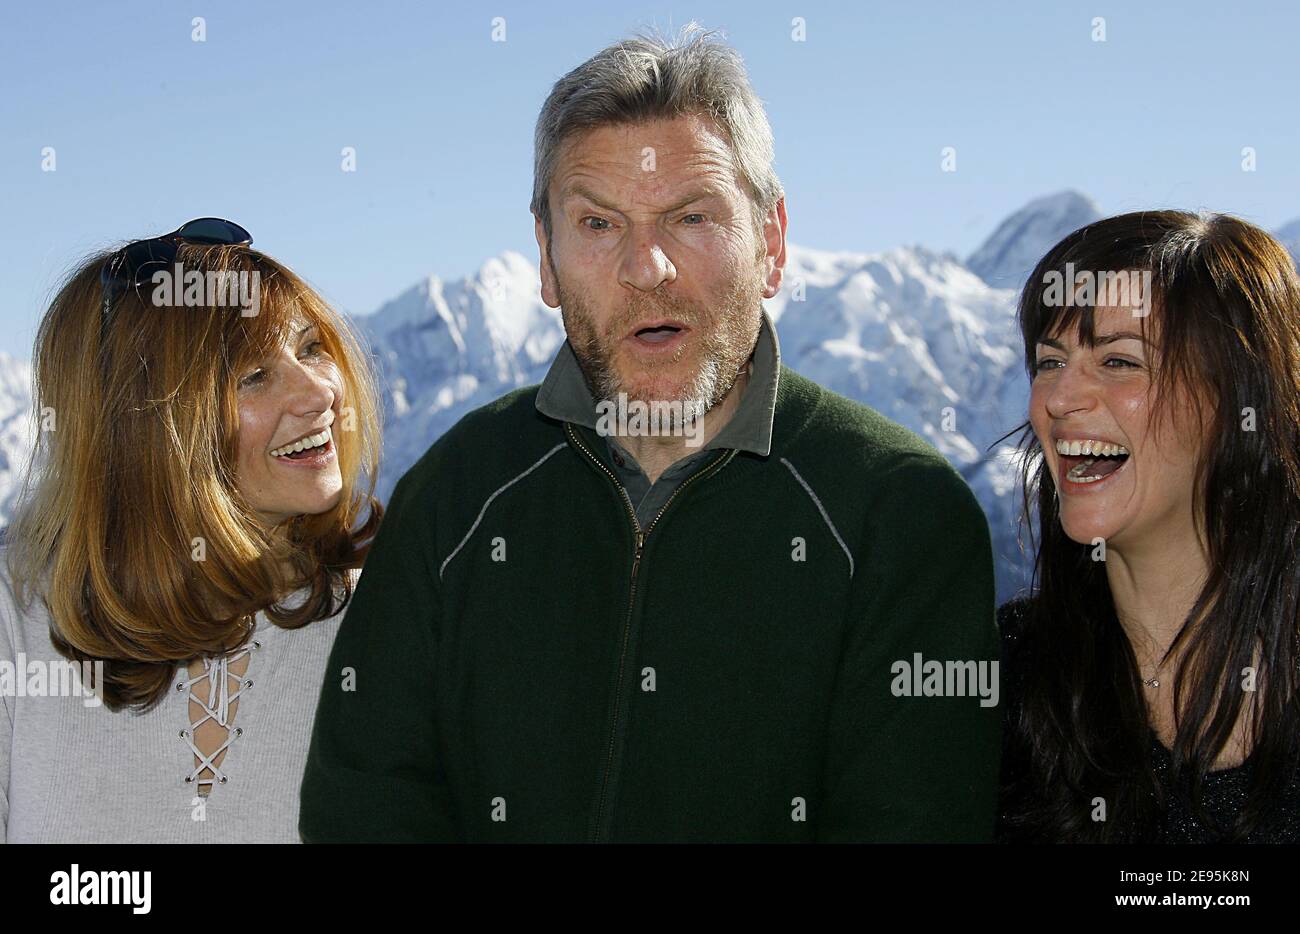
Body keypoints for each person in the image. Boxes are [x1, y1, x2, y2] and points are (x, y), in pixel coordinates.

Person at [300, 26, 999, 844]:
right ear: (548, 261)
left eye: (691, 217)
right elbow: (366, 808)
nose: (648, 268)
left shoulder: (900, 514)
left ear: (771, 244)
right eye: (599, 226)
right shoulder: (455, 493)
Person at [0, 219, 383, 842]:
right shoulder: (16, 623)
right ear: (147, 426)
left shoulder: (385, 622)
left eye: (312, 348)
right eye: (255, 375)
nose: (321, 391)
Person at [997, 210, 1300, 843]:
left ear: (1240, 401)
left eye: (1120, 363)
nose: (1058, 399)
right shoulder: (1002, 677)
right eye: (1050, 362)